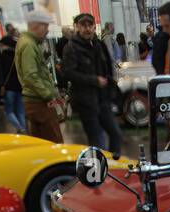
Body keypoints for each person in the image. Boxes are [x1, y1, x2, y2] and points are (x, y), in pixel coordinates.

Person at [63, 13, 122, 159]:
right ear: (77, 27)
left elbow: (108, 67)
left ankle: (113, 166)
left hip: (103, 99)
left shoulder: (99, 44)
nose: (87, 29)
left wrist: (111, 87)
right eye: (83, 26)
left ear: (94, 26)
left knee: (116, 134)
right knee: (97, 139)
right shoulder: (71, 47)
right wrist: (94, 80)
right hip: (86, 101)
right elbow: (69, 73)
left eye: (90, 25)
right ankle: (100, 173)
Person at [16, 10, 64, 142]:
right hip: (38, 101)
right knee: (55, 141)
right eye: (46, 26)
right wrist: (48, 95)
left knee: (41, 142)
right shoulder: (28, 44)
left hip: (34, 99)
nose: (47, 30)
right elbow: (31, 75)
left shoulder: (26, 42)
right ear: (36, 26)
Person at [0, 29, 25, 132]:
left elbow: (0, 73)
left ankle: (20, 128)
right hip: (20, 87)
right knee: (20, 111)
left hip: (9, 88)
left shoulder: (1, 57)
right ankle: (24, 129)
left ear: (4, 45)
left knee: (9, 111)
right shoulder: (18, 56)